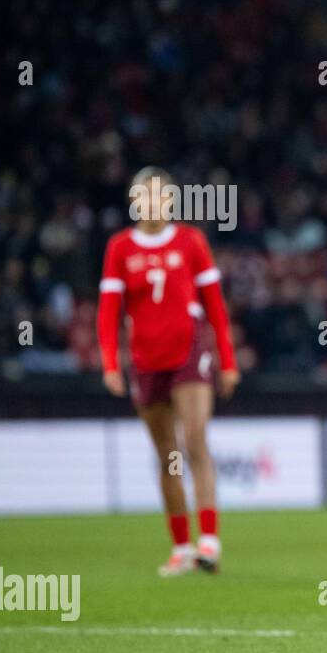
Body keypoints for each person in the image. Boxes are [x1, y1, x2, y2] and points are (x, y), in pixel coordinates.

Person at [97, 166, 239, 576]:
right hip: (146, 360)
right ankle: (181, 547)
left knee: (195, 439)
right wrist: (110, 362)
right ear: (134, 202)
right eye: (145, 196)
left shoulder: (191, 242)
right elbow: (109, 312)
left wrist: (227, 361)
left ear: (172, 201)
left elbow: (215, 306)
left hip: (188, 354)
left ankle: (208, 542)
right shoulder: (120, 248)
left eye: (161, 196)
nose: (153, 204)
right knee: (167, 456)